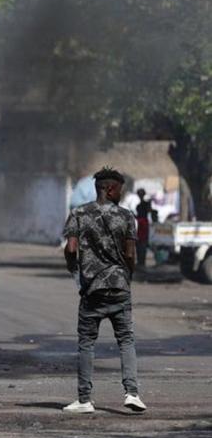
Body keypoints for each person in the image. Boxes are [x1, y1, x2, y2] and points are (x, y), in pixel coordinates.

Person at [62, 167, 146, 413]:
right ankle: (132, 393)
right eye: (120, 189)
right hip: (120, 287)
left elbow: (70, 249)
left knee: (87, 343)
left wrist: (74, 270)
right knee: (126, 340)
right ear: (109, 189)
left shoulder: (79, 213)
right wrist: (127, 275)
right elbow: (131, 253)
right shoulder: (126, 216)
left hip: (92, 291)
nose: (121, 194)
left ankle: (85, 399)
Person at [134, 188, 154, 268]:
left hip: (143, 224)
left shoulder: (145, 204)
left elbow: (149, 211)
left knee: (142, 242)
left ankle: (141, 261)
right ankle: (140, 261)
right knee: (140, 242)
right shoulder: (140, 205)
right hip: (141, 223)